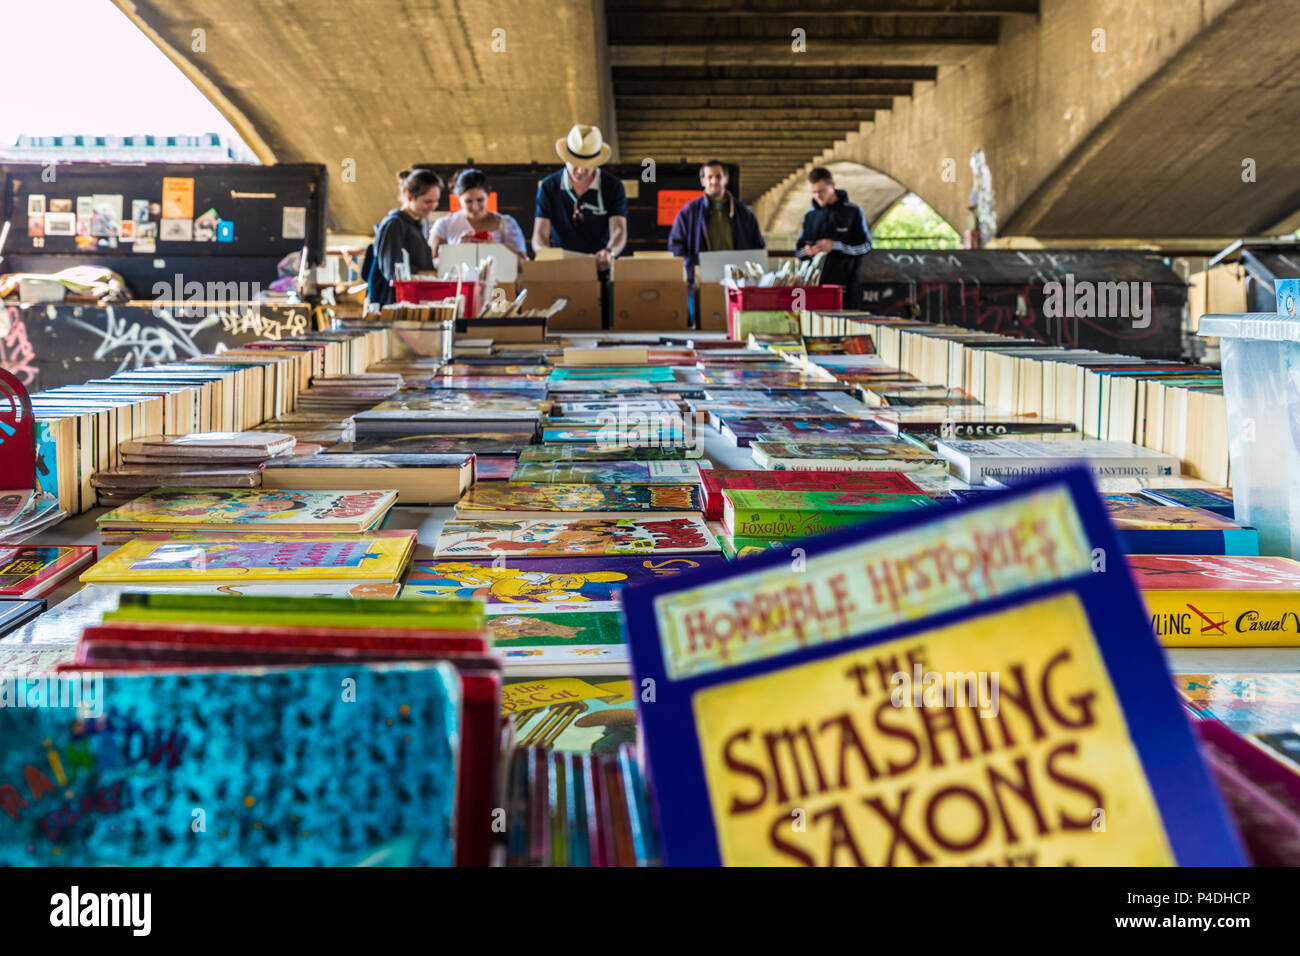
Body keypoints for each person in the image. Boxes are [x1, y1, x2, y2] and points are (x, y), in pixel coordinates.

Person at [532, 124, 627, 271]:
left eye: (588, 165)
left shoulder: (613, 186)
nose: (581, 171)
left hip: (601, 269)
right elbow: (539, 235)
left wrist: (609, 252)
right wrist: (546, 255)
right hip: (561, 270)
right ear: (566, 158)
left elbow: (619, 230)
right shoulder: (548, 187)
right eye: (576, 164)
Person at [667, 158, 765, 291]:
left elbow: (758, 245)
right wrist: (693, 268)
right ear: (702, 181)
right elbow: (676, 245)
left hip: (738, 282)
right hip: (702, 281)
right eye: (709, 177)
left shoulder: (744, 213)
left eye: (718, 176)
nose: (714, 181)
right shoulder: (689, 212)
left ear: (726, 179)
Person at [365, 168, 443, 309]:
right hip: (395, 305)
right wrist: (430, 274)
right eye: (427, 202)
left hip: (414, 303)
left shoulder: (419, 223)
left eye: (436, 201)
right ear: (409, 197)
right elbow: (393, 271)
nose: (433, 206)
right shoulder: (394, 224)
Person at [795, 166, 872, 309]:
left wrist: (836, 246)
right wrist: (808, 251)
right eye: (814, 192)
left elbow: (866, 246)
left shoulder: (853, 212)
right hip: (815, 291)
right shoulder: (810, 216)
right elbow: (798, 252)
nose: (818, 196)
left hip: (846, 290)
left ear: (833, 186)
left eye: (822, 191)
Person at [430, 168, 527, 265]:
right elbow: (432, 263)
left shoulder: (507, 224)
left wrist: (494, 250)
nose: (475, 207)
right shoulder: (444, 224)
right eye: (468, 201)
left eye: (480, 200)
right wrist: (457, 250)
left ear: (488, 196)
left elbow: (523, 263)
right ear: (458, 199)